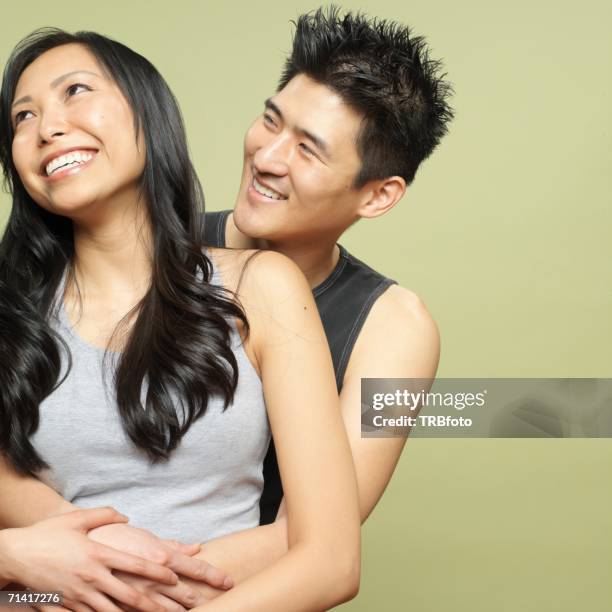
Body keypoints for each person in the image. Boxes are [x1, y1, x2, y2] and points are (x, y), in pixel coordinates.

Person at [0, 27, 360, 612]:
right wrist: (18, 565)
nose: (46, 127)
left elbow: (331, 561)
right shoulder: (10, 314)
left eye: (75, 91)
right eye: (22, 116)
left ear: (149, 112)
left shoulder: (260, 284)